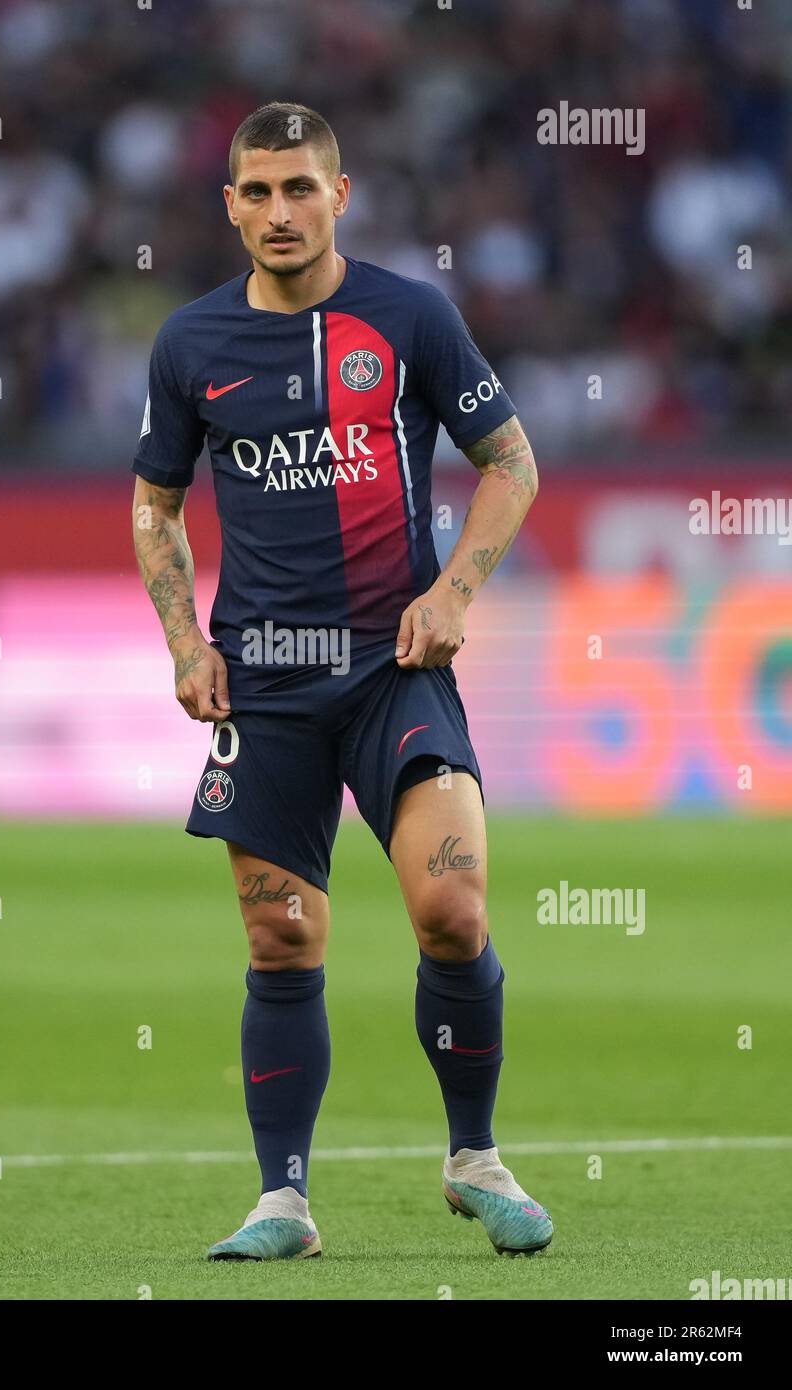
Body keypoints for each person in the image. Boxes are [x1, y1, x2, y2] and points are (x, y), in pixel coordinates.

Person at [132, 101, 551, 1260]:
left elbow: (509, 461)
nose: (278, 212)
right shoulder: (191, 346)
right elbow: (154, 504)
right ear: (229, 205)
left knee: (450, 908)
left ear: (340, 195)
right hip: (261, 683)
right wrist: (183, 642)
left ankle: (473, 1155)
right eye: (256, 192)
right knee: (281, 943)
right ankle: (284, 1199)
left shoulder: (409, 316)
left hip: (392, 668)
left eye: (298, 189)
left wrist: (454, 590)